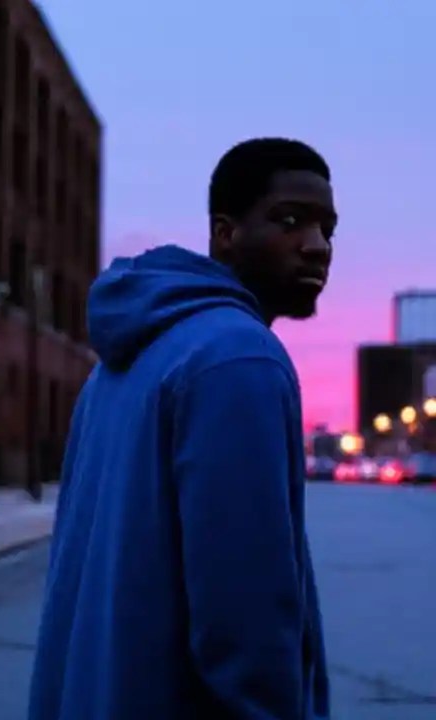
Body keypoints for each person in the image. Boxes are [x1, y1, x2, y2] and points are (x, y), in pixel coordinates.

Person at [28, 138, 334, 719]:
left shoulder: (125, 362)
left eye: (328, 229)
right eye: (290, 221)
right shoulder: (239, 359)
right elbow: (245, 615)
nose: (317, 247)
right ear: (225, 234)